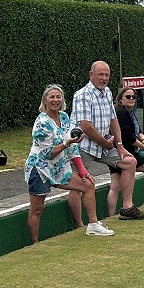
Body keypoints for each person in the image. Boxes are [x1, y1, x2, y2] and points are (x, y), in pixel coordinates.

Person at [25, 84, 113, 241]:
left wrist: (82, 170)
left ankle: (93, 225)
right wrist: (67, 143)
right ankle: (34, 245)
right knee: (37, 209)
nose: (55, 100)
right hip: (39, 169)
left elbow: (72, 147)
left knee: (87, 184)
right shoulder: (41, 122)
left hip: (59, 168)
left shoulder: (64, 117)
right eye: (51, 97)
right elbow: (48, 153)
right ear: (45, 100)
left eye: (58, 97)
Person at [72, 60, 144, 221]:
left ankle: (127, 208)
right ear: (91, 75)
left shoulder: (107, 92)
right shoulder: (82, 95)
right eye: (100, 74)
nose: (104, 78)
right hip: (83, 146)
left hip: (104, 146)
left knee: (130, 162)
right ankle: (79, 224)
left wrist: (119, 146)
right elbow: (85, 126)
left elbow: (113, 120)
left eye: (106, 75)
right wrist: (105, 143)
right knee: (78, 184)